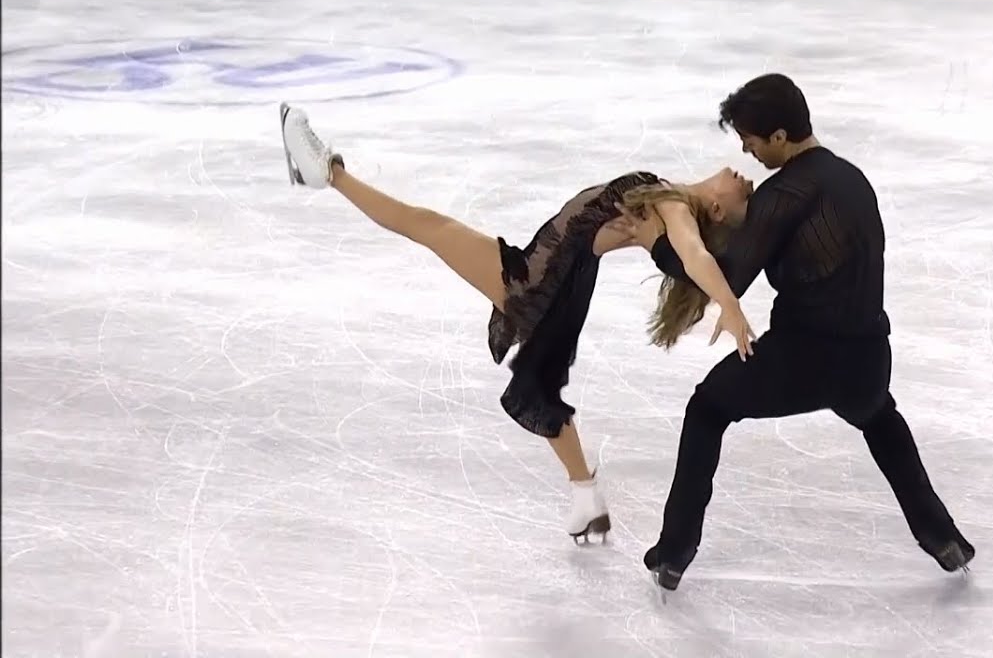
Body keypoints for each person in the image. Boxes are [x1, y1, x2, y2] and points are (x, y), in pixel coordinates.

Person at [274, 103, 759, 545]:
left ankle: (327, 173)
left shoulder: (675, 209)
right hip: (548, 272)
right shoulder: (669, 197)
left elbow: (694, 256)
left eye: (746, 193)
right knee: (540, 387)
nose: (745, 178)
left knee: (424, 225)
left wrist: (730, 307)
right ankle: (586, 497)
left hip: (536, 278)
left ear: (716, 208)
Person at [622, 74, 975, 591]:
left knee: (707, 409)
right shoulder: (851, 178)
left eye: (751, 138)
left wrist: (658, 245)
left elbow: (730, 277)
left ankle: (673, 553)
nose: (745, 147)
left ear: (781, 137)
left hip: (805, 359)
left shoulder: (785, 193)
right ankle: (944, 540)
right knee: (879, 417)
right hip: (871, 357)